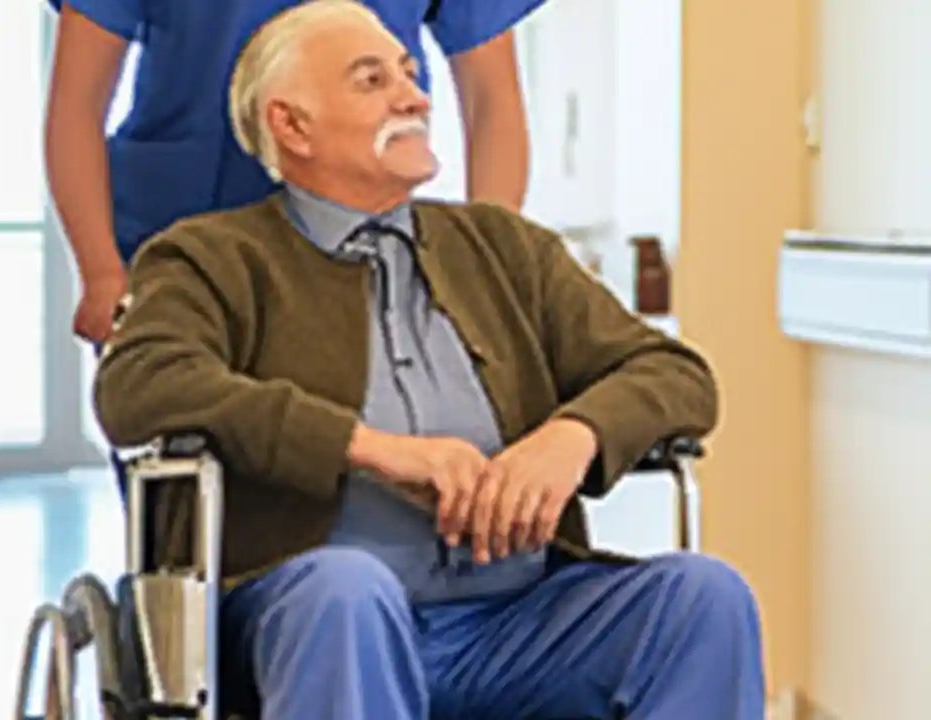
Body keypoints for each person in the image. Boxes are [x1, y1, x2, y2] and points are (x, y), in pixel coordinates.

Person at [93, 2, 766, 718]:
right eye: (372, 80)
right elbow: (139, 384)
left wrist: (570, 439)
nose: (414, 97)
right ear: (291, 125)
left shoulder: (504, 248)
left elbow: (674, 374)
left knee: (705, 597)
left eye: (410, 74)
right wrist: (371, 450)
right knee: (348, 590)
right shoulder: (212, 257)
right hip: (317, 616)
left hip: (521, 621)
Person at [44, 0, 545, 343]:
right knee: (184, 451)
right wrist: (101, 272)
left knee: (365, 451)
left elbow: (491, 100)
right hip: (180, 239)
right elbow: (76, 105)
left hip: (363, 241)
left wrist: (484, 266)